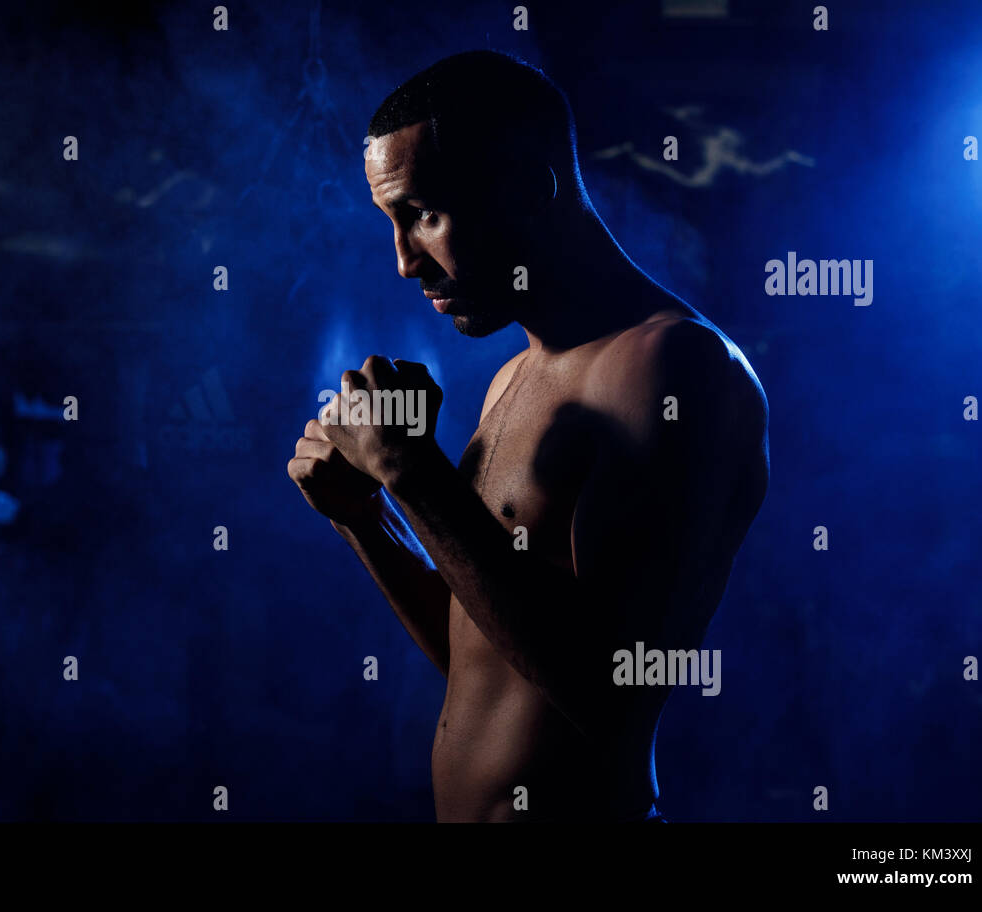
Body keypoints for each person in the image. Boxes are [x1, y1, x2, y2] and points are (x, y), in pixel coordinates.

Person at [287, 50, 769, 822]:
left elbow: (613, 695)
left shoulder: (675, 368)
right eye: (393, 223)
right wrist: (366, 516)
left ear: (529, 187)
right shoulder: (512, 377)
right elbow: (490, 659)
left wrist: (416, 475)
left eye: (424, 214)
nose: (406, 263)